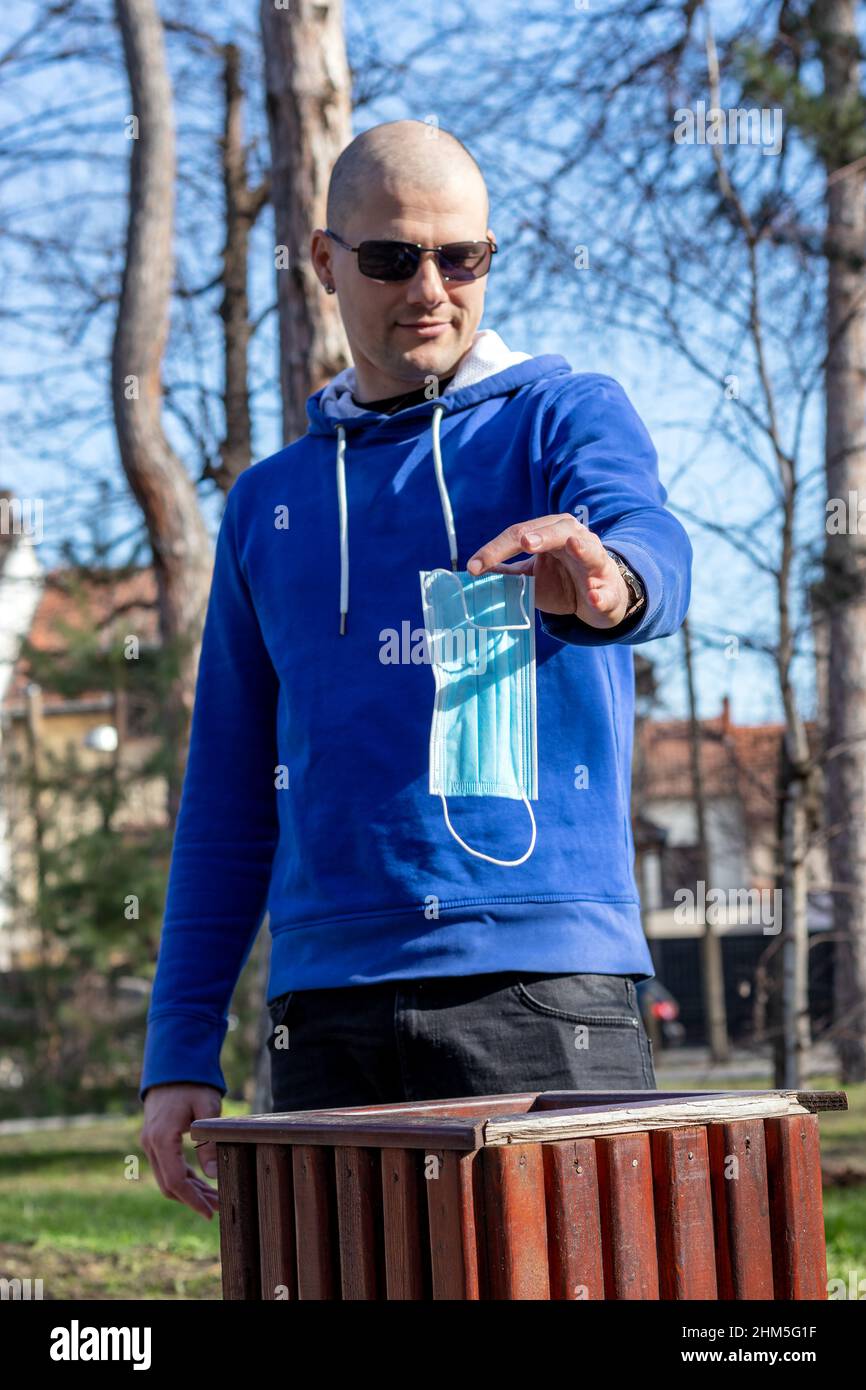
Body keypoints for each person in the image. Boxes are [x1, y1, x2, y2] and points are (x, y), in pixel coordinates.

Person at [140, 119, 692, 1219]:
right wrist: (178, 1045)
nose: (430, 288)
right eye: (392, 257)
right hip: (323, 1006)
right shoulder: (266, 505)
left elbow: (649, 543)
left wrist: (608, 579)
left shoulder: (561, 416)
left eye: (461, 257)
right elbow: (228, 798)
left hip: (541, 990)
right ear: (323, 261)